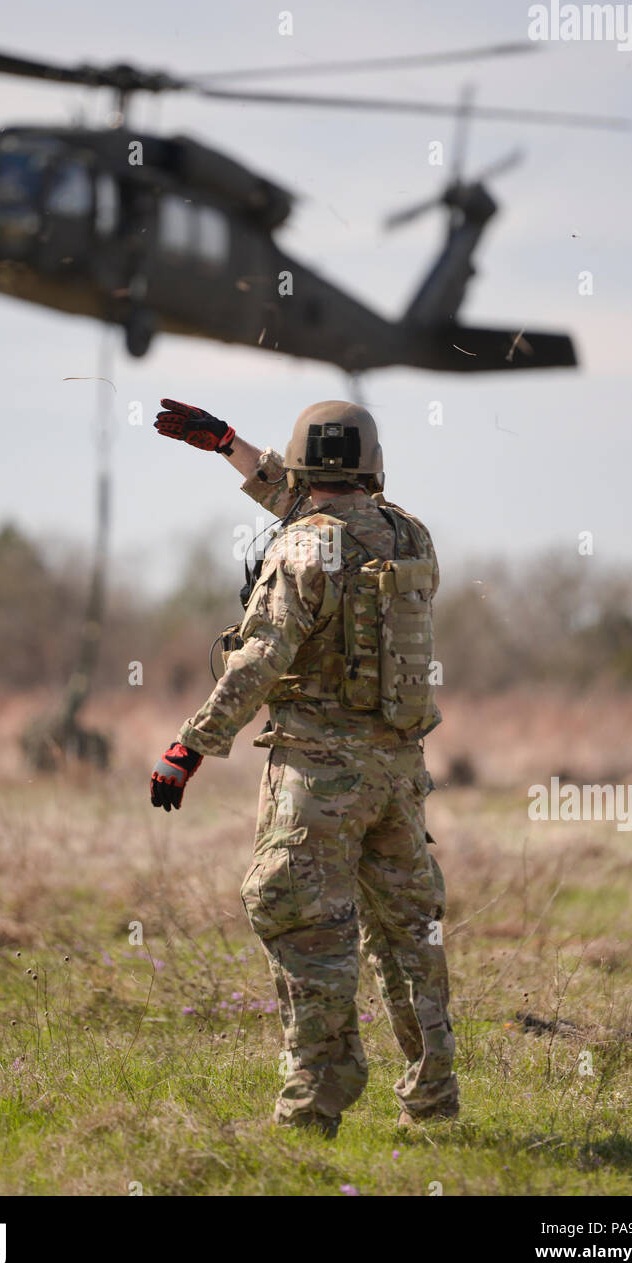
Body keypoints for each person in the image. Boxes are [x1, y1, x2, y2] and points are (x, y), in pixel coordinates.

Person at [150, 397, 457, 1138]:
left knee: (300, 921)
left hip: (318, 779)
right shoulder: (407, 534)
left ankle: (314, 1102)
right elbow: (321, 510)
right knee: (408, 934)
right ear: (372, 463)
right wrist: (227, 446)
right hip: (397, 773)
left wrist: (191, 745)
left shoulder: (300, 548)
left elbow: (260, 657)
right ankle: (434, 1099)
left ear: (303, 464)